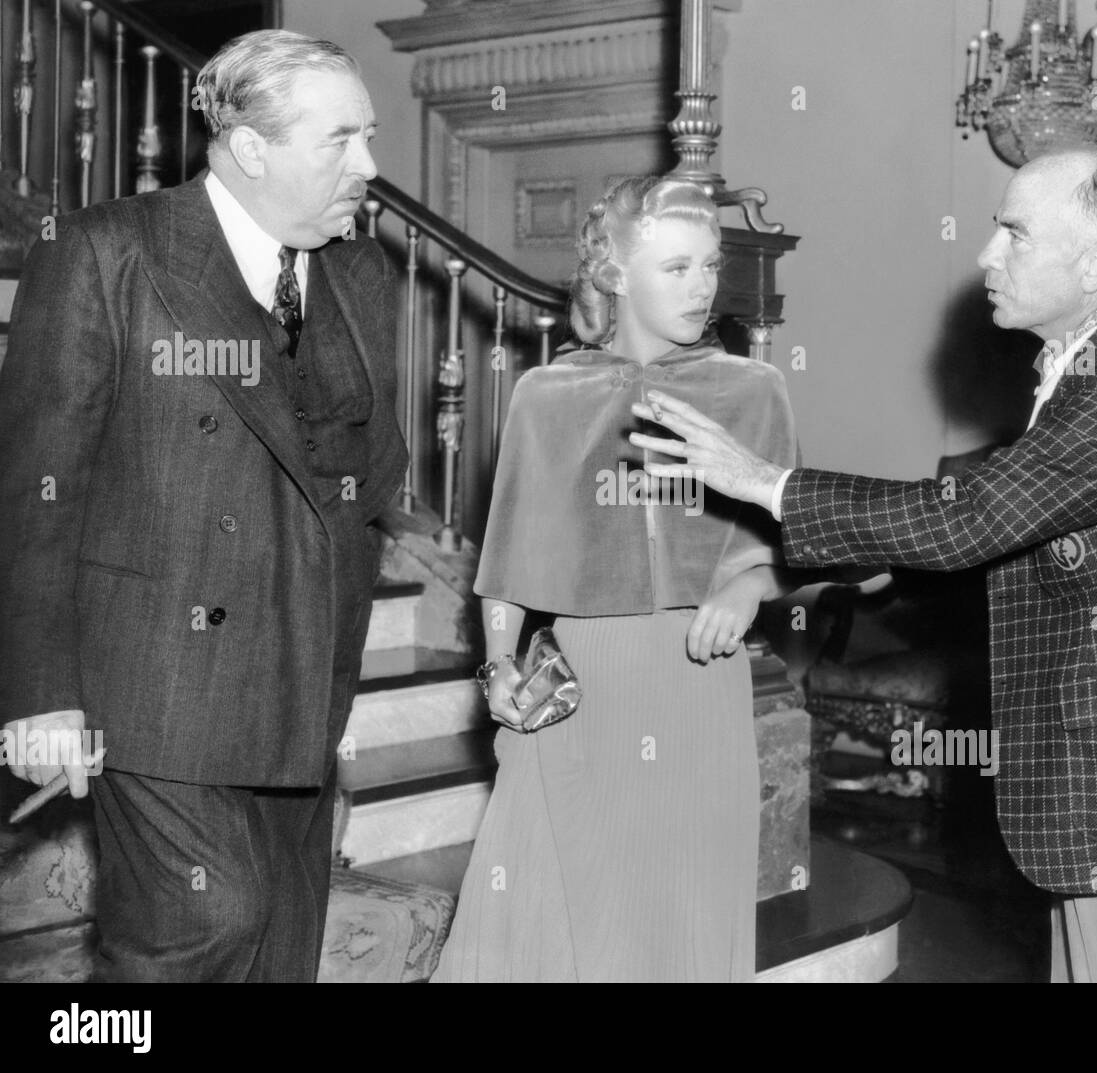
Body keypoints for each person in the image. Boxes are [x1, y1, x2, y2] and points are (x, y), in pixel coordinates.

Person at [630, 144, 1097, 983]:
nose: (985, 255)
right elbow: (1004, 533)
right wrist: (784, 573)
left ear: (1094, 263)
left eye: (1014, 233)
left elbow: (971, 519)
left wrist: (760, 481)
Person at [0, 30, 406, 981]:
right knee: (202, 926)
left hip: (304, 679)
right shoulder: (108, 252)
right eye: (341, 139)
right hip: (155, 681)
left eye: (371, 135)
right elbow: (36, 489)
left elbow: (369, 474)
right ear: (252, 147)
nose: (370, 166)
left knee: (281, 948)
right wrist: (38, 696)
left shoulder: (358, 271)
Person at [431, 176, 797, 982]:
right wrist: (496, 667)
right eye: (676, 268)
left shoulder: (753, 388)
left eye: (711, 265)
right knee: (540, 917)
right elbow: (508, 564)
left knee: (679, 923)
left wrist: (742, 589)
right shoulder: (545, 393)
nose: (703, 286)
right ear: (616, 275)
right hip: (582, 686)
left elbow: (784, 544)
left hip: (700, 686)